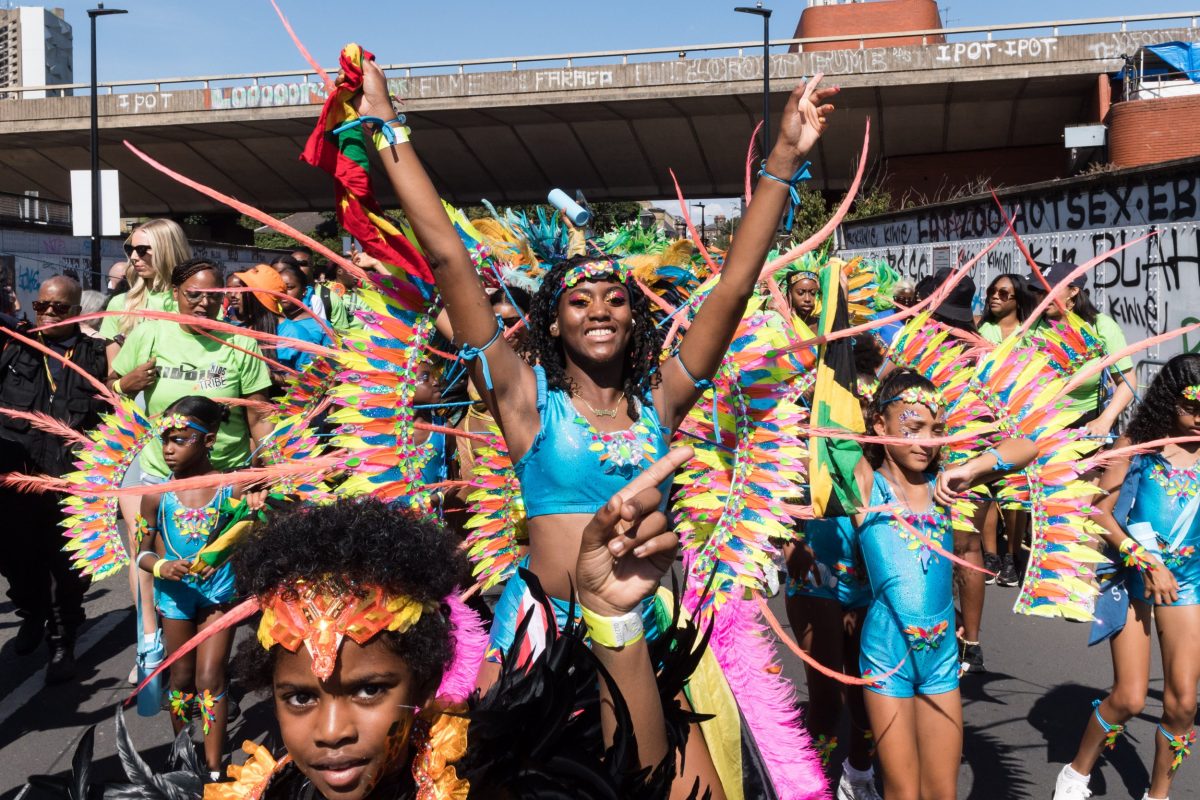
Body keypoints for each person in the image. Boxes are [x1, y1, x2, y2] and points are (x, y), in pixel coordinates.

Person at [852, 368, 1036, 800]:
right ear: (880, 424)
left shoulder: (944, 486)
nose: (925, 441)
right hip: (886, 655)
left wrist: (971, 469)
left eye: (936, 430)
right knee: (902, 789)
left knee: (942, 792)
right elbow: (829, 435)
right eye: (911, 428)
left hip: (940, 658)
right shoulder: (865, 484)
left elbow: (1028, 445)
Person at [1054, 353, 1200, 800]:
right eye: (1192, 405)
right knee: (1132, 698)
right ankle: (1076, 773)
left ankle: (1158, 795)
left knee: (1182, 704)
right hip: (1133, 577)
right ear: (1167, 401)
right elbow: (1100, 514)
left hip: (1187, 582)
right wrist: (1145, 561)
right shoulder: (1137, 446)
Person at [135, 396, 256, 779]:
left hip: (219, 595)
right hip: (174, 598)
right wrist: (162, 565)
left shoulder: (231, 490)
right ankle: (185, 758)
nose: (168, 449)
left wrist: (256, 511)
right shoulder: (156, 496)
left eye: (180, 439)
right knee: (182, 679)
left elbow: (254, 530)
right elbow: (140, 555)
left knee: (210, 678)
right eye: (164, 439)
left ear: (208, 441)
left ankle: (215, 768)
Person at [0, 275, 108, 682]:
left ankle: (63, 641)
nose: (46, 314)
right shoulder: (14, 347)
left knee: (69, 571)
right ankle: (31, 611)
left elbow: (114, 404)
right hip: (15, 480)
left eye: (58, 308)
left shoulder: (96, 355)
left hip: (70, 483)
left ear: (77, 313)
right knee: (14, 559)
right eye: (41, 306)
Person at [109, 257, 274, 484]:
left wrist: (275, 469)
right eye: (194, 294)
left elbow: (259, 418)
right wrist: (123, 385)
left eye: (214, 295)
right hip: (162, 477)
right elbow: (109, 387)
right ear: (176, 293)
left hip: (227, 475)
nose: (205, 303)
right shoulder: (149, 334)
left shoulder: (240, 342)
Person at [1027, 262, 1136, 439]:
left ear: (1074, 291)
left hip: (1086, 427)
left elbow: (1127, 381)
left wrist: (1105, 420)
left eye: (1050, 289)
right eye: (1039, 291)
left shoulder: (1101, 326)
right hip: (1038, 425)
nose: (1042, 296)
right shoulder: (1031, 327)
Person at [275, 262, 334, 370]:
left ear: (304, 291)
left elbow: (332, 365)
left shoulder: (322, 326)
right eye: (279, 288)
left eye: (290, 287)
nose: (283, 293)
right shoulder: (272, 322)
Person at [977, 273, 1034, 345]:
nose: (995, 296)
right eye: (992, 291)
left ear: (1019, 300)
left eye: (1003, 293)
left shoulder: (1032, 332)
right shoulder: (977, 326)